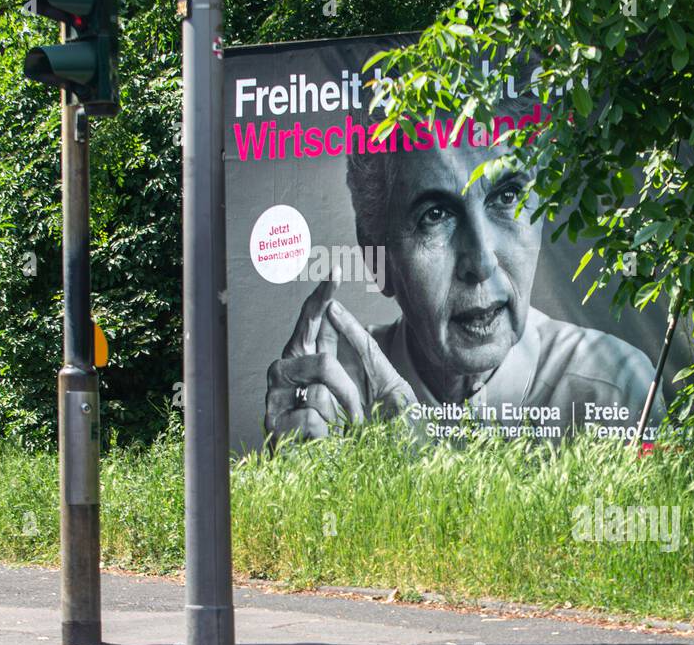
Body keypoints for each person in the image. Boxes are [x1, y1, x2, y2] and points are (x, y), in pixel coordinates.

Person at [263, 101, 663, 444]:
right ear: (376, 258)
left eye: (506, 197)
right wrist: (304, 481)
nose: (482, 263)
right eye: (435, 216)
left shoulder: (613, 383)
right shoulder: (335, 400)